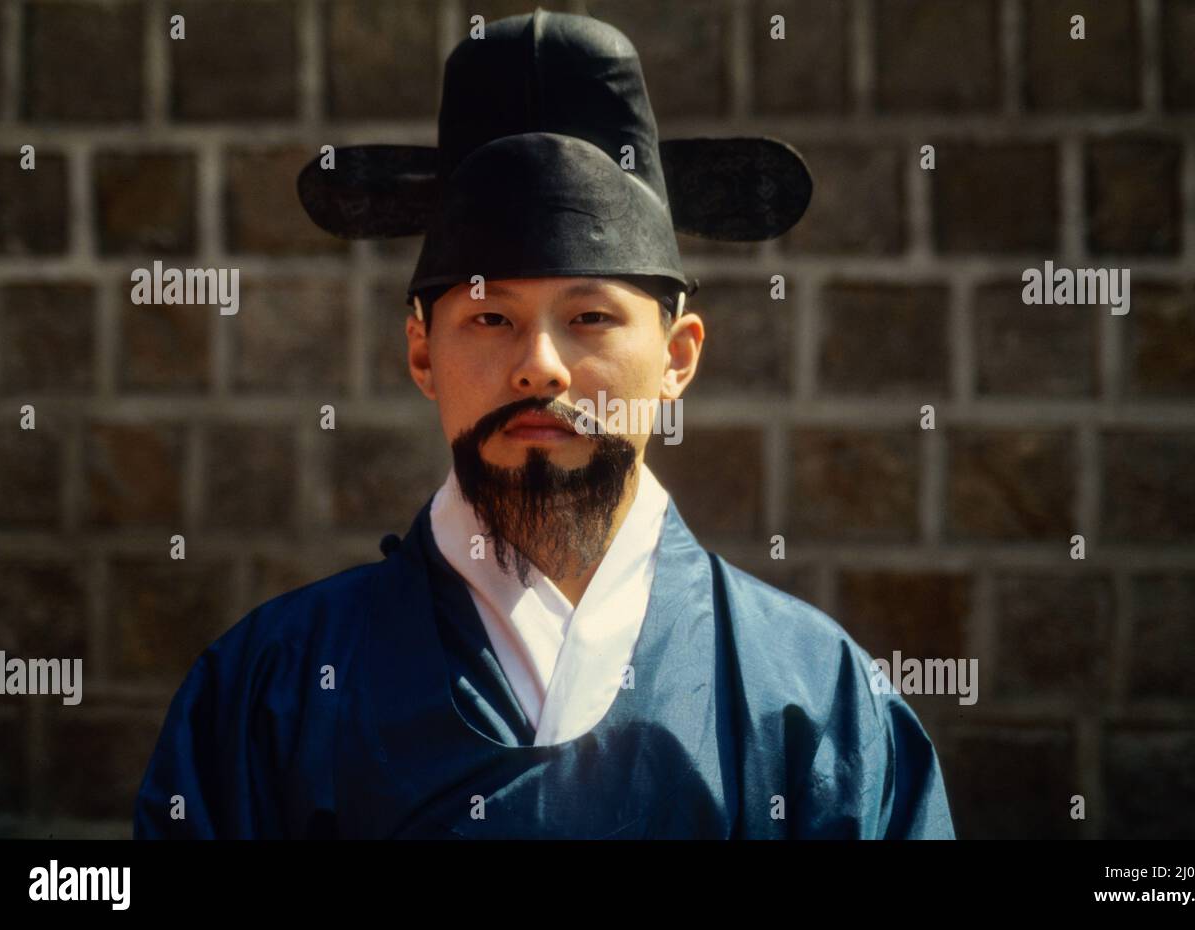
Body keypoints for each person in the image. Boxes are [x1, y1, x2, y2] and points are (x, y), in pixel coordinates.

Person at [134, 7, 955, 839]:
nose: (542, 366)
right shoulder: (273, 689)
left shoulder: (812, 697)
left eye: (592, 318)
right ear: (421, 353)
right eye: (491, 319)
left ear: (677, 357)